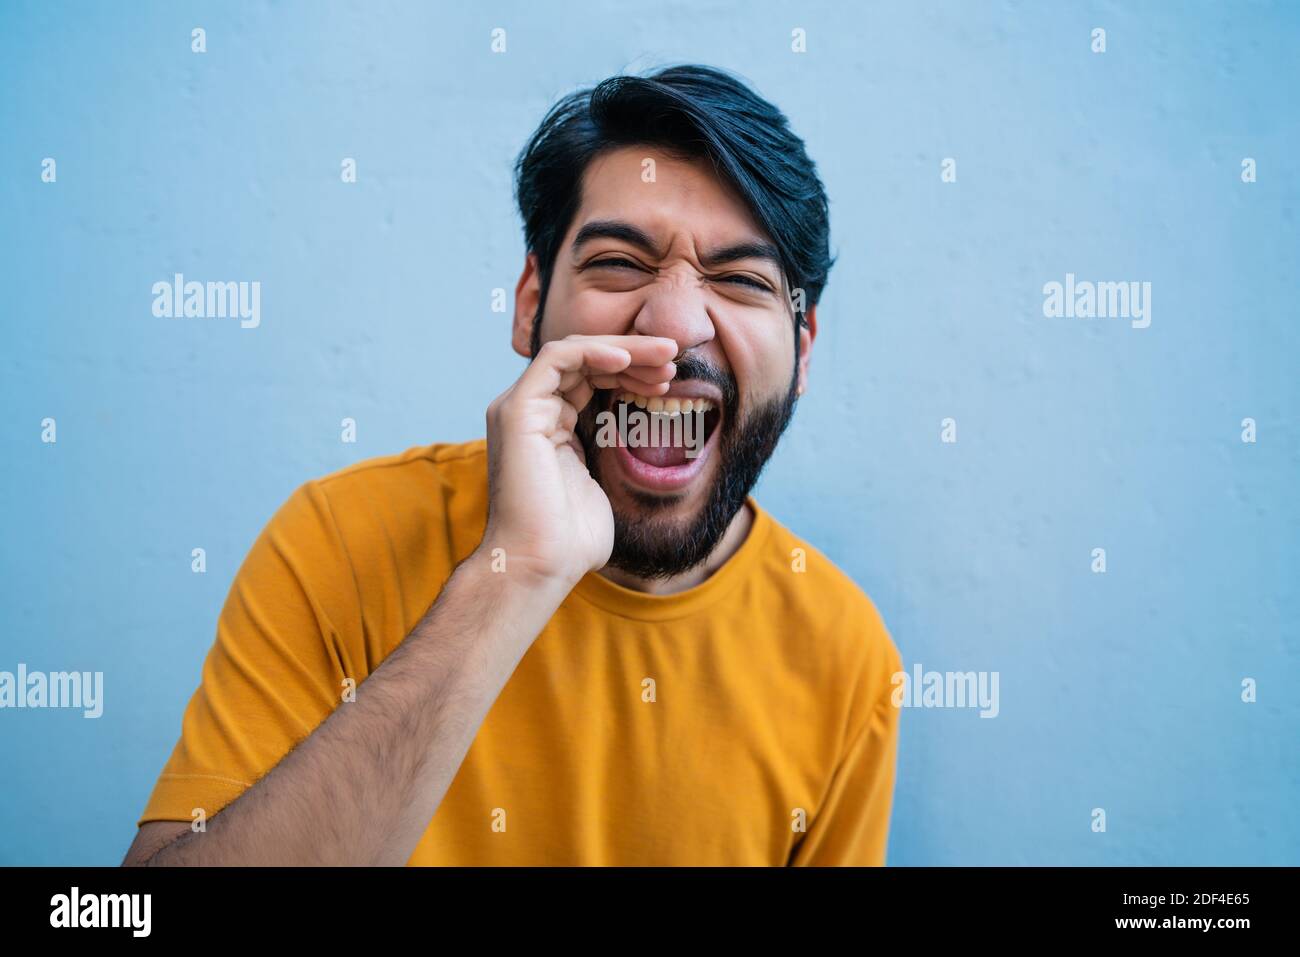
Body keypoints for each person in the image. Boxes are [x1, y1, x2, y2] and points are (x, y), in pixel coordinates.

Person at [123, 64, 903, 866]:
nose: (670, 327)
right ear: (532, 302)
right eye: (617, 263)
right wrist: (515, 573)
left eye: (740, 279)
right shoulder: (339, 541)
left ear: (802, 349)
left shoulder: (848, 656)